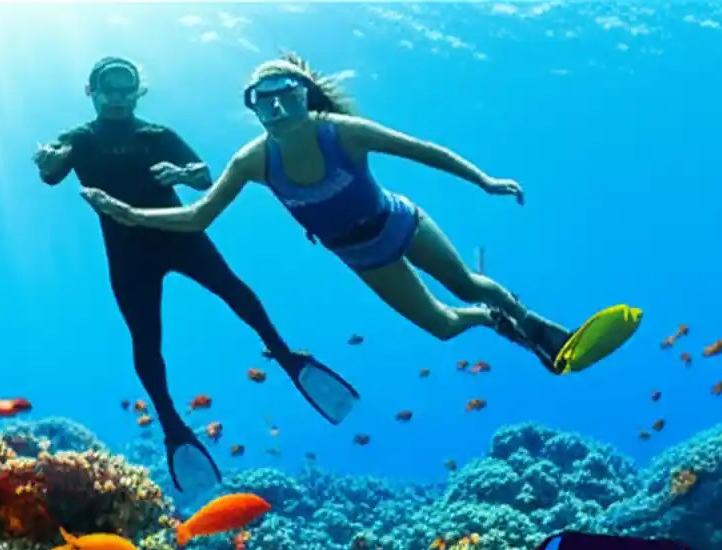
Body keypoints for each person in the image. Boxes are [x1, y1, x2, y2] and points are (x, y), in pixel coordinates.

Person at [81, 52, 638, 374]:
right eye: (262, 99)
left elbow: (427, 151)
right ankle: (497, 324)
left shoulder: (343, 133)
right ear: (252, 108)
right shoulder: (253, 160)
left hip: (400, 222)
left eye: (287, 95)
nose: (277, 108)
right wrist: (127, 214)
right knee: (445, 326)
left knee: (469, 282)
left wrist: (485, 181)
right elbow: (198, 218)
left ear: (306, 96)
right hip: (361, 254)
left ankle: (541, 327)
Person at [34, 56, 358, 491]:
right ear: (90, 92)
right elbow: (52, 173)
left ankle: (285, 356)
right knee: (146, 339)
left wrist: (182, 172)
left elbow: (204, 177)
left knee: (234, 290)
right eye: (107, 88)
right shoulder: (79, 139)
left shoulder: (157, 135)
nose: (116, 97)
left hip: (176, 233)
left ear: (138, 91)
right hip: (128, 255)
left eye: (125, 87)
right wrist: (46, 161)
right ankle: (171, 425)